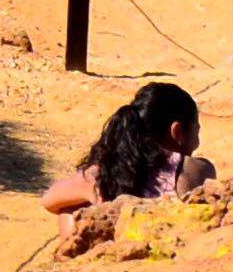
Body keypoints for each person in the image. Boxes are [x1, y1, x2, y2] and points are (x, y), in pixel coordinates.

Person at [43, 82, 215, 212]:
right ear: (176, 131)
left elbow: (48, 201)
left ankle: (70, 258)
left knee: (68, 211)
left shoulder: (106, 173)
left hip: (117, 251)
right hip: (170, 249)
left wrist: (93, 194)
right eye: (196, 132)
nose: (197, 143)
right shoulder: (195, 168)